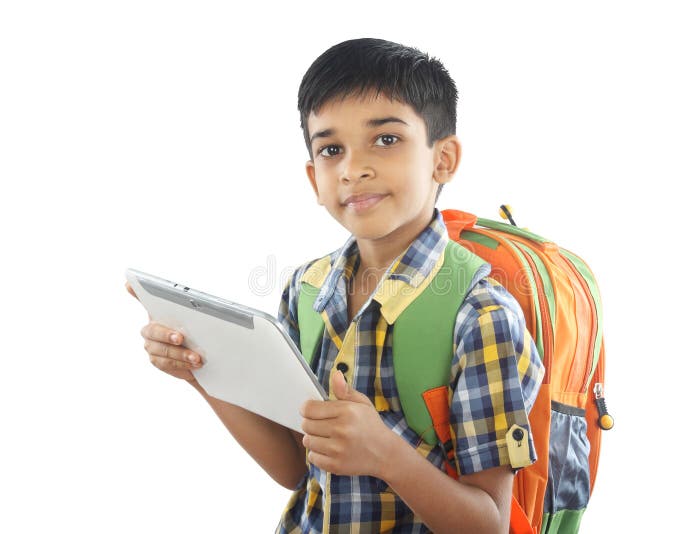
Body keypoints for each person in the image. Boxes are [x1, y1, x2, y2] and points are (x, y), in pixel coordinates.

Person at [128, 37, 544, 533]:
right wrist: (201, 370)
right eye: (331, 149)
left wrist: (388, 456)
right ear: (313, 177)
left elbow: (490, 525)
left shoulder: (480, 317)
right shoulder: (307, 290)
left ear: (443, 159)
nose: (353, 169)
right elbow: (293, 467)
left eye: (386, 139)